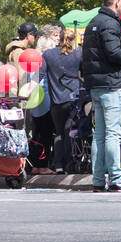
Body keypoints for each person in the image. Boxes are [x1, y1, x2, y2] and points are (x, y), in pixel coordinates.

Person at [81, 0, 121, 193]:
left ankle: (98, 179)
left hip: (96, 85)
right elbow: (114, 54)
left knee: (100, 135)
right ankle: (116, 178)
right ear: (117, 3)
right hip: (113, 84)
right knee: (114, 134)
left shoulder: (93, 23)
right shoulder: (110, 23)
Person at [43, 25, 83, 173]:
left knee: (59, 133)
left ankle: (58, 164)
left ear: (59, 39)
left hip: (56, 101)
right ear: (73, 40)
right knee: (70, 132)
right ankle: (70, 165)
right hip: (74, 99)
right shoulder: (79, 54)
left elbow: (39, 74)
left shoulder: (48, 55)